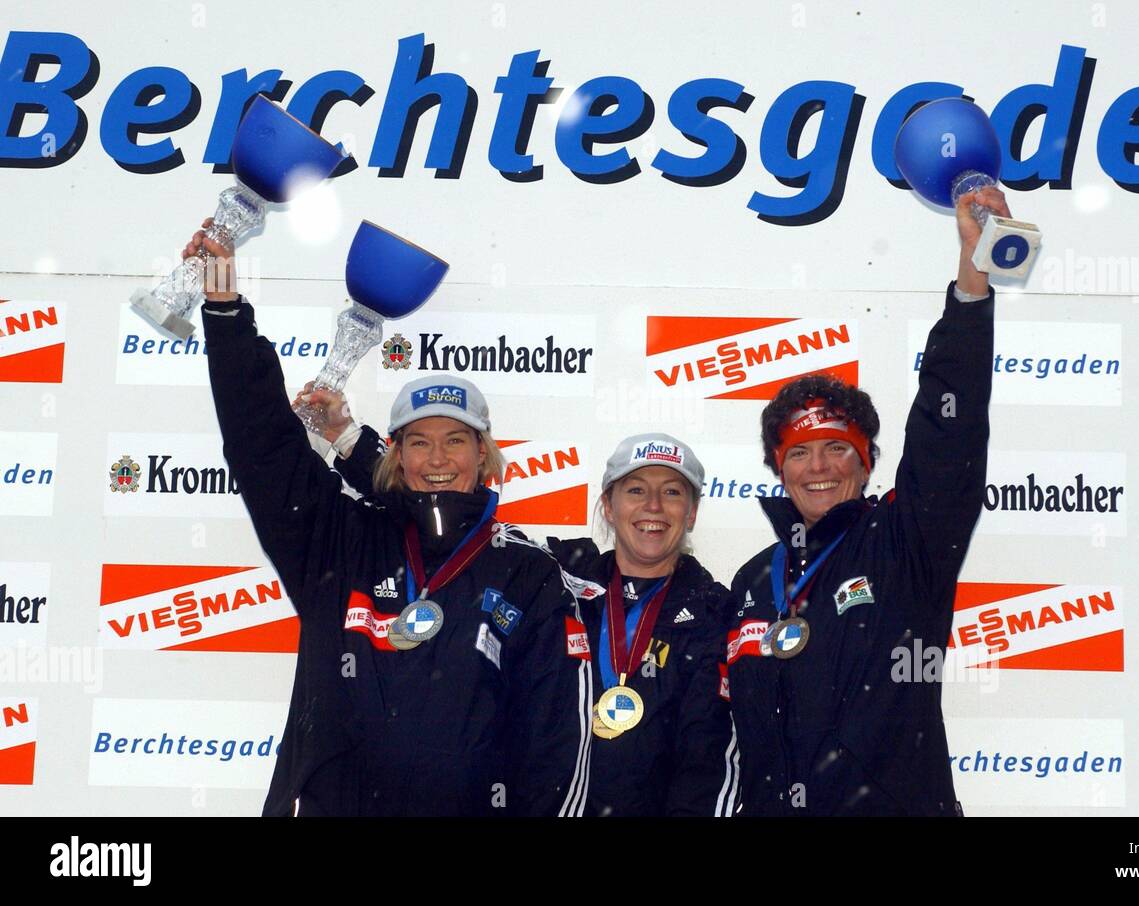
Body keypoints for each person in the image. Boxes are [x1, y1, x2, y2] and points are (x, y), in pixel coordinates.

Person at [186, 220, 593, 817]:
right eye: (419, 443)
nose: (437, 460)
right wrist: (224, 308)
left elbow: (556, 744)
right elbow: (263, 445)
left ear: (484, 455)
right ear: (396, 455)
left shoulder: (527, 574)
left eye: (456, 441)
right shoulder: (343, 540)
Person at [724, 187, 1006, 816]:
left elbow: (948, 428)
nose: (818, 467)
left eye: (837, 449)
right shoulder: (751, 581)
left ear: (867, 461)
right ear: (777, 469)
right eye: (799, 453)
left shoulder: (907, 542)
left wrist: (972, 276)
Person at [313, 413, 740, 817]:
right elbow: (433, 504)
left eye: (672, 492)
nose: (652, 507)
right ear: (608, 507)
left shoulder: (716, 614)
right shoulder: (553, 573)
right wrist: (349, 438)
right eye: (635, 490)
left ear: (692, 512)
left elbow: (709, 768)